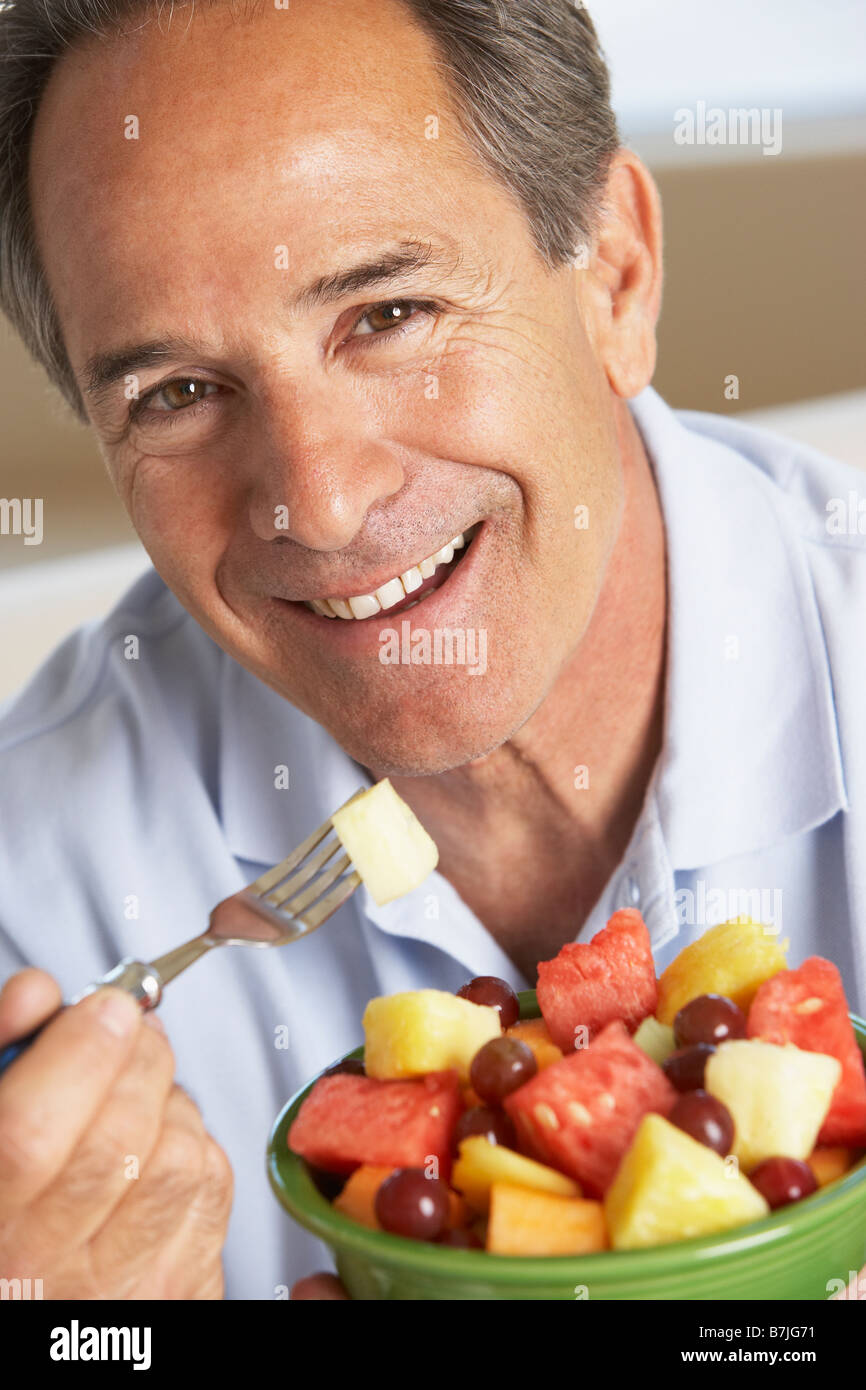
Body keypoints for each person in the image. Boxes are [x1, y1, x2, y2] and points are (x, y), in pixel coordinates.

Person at [1, 0, 864, 1300]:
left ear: (615, 273)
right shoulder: (32, 888)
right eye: (176, 393)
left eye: (389, 314)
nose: (322, 502)